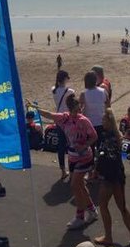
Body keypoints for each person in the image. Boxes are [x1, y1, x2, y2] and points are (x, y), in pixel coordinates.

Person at [37, 92, 99, 229]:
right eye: (77, 109)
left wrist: (84, 145)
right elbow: (49, 114)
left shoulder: (84, 120)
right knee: (80, 186)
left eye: (79, 109)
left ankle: (80, 216)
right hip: (72, 156)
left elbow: (94, 136)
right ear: (71, 109)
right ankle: (92, 210)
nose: (79, 111)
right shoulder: (64, 118)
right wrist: (36, 109)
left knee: (74, 185)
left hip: (84, 156)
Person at [91, 110, 130, 246]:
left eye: (104, 120)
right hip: (118, 176)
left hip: (108, 178)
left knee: (103, 205)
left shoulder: (107, 138)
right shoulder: (118, 137)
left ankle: (108, 236)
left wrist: (96, 170)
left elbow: (102, 157)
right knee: (122, 207)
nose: (102, 122)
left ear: (108, 122)